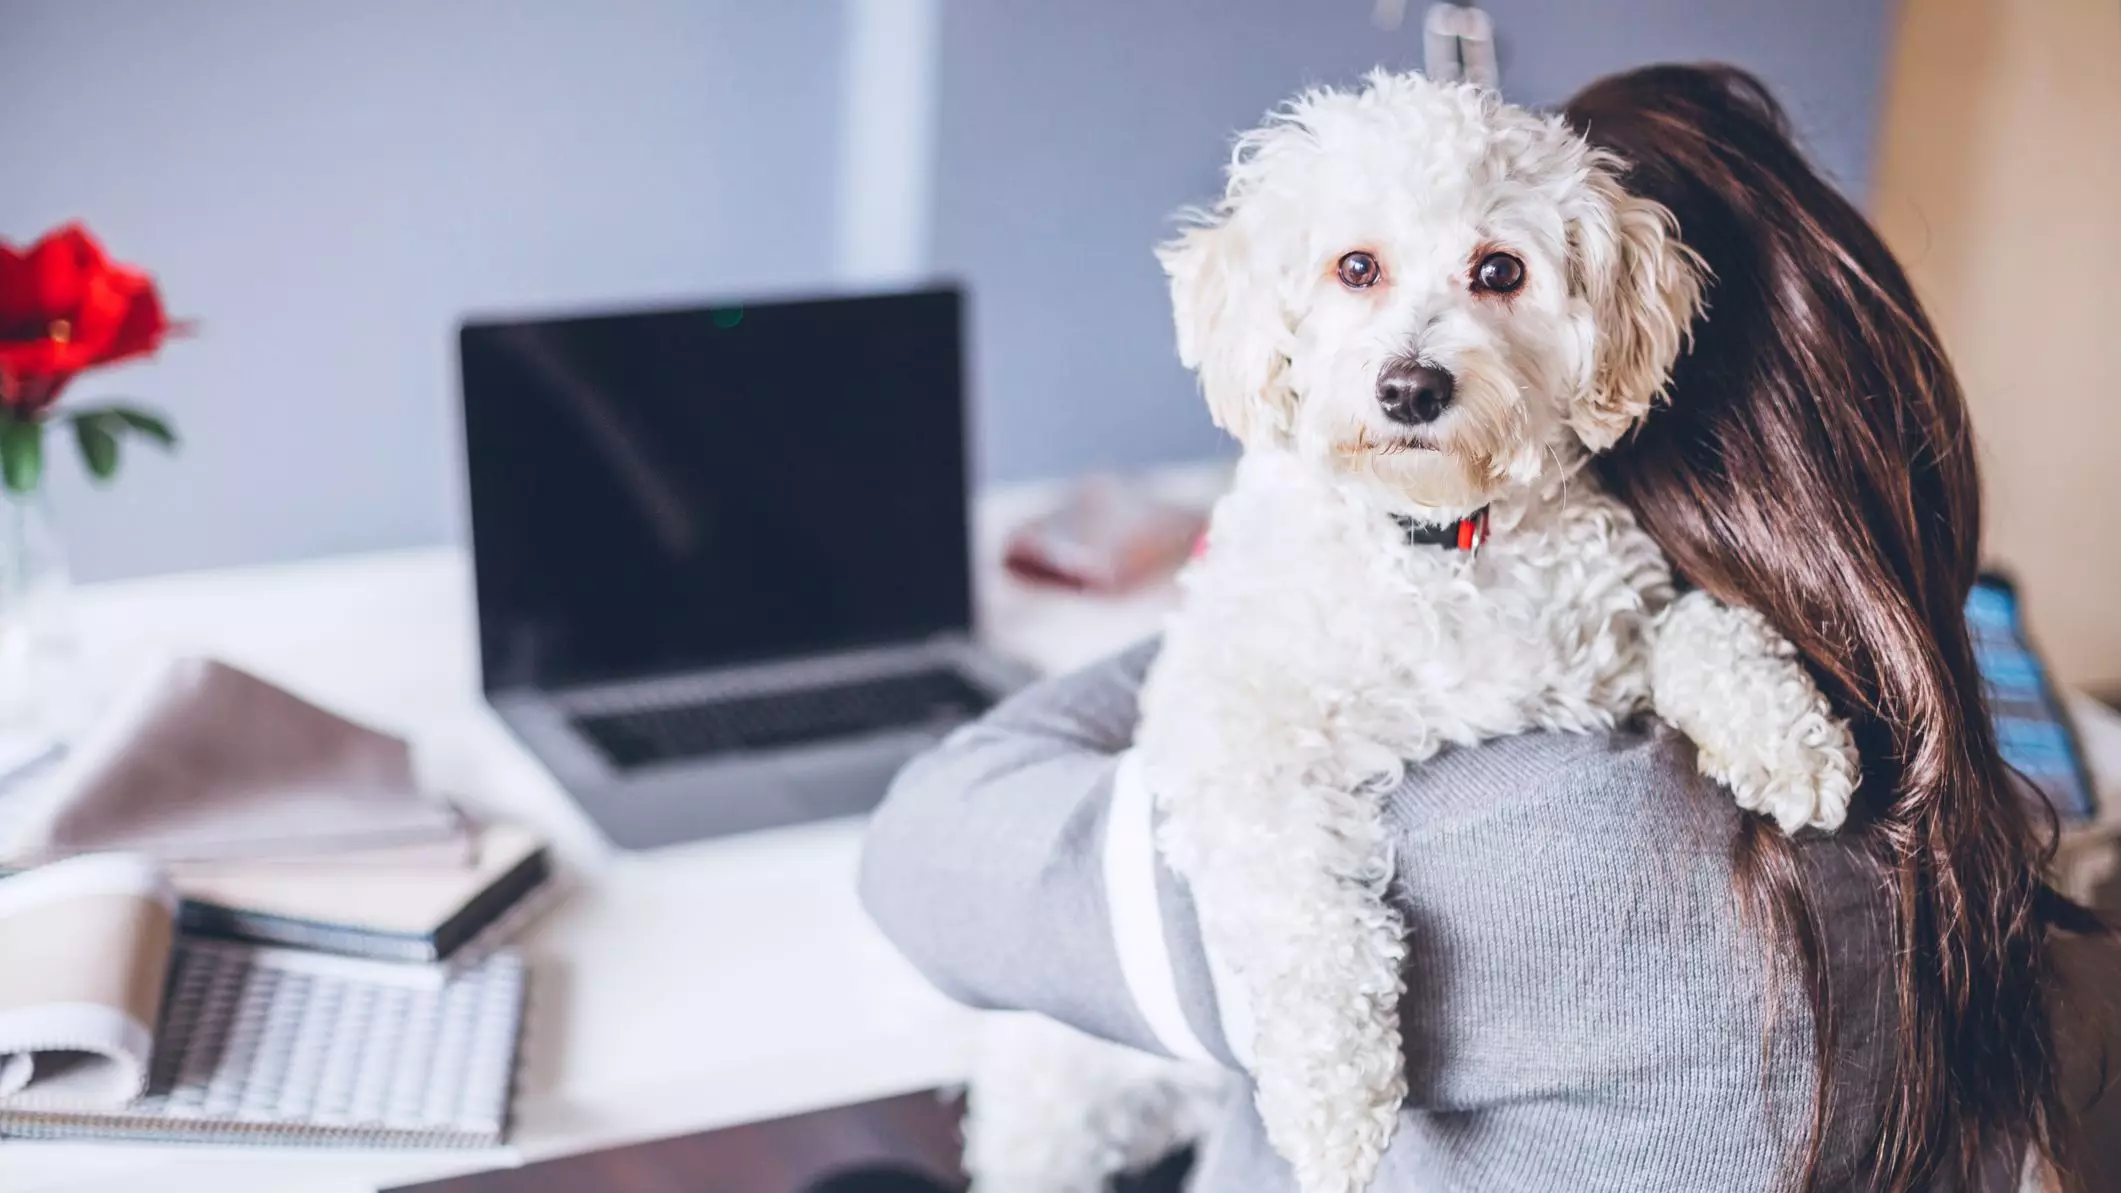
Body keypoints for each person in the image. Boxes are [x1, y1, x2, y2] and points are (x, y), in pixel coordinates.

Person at [857, 64, 2093, 1193]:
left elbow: (924, 860)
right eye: (1360, 273)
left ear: (1620, 357)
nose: (1415, 355)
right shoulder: (1942, 807)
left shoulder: (1507, 849)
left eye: (1496, 274)